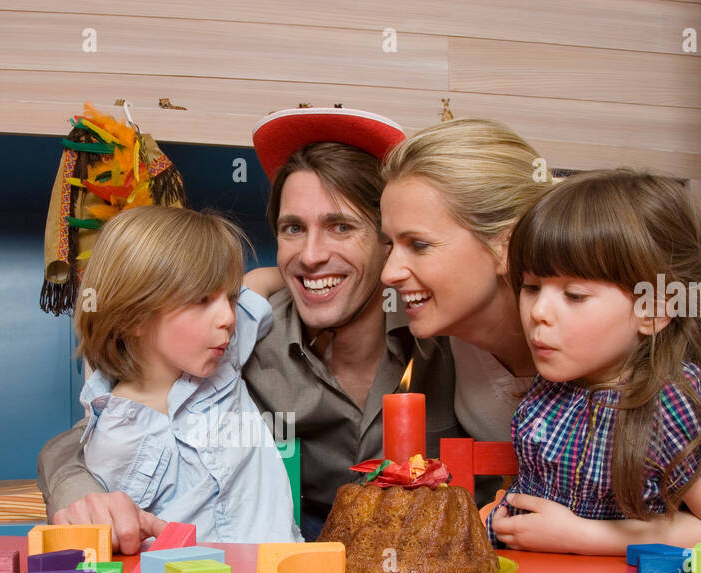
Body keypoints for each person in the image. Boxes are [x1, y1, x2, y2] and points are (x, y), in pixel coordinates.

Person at [37, 108, 463, 550]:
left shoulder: (446, 332)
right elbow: (92, 430)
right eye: (293, 229)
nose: (312, 254)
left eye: (341, 226)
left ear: (387, 238)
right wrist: (84, 497)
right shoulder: (238, 343)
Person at [372, 117, 701, 556]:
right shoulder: (446, 333)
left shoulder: (650, 372)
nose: (387, 274)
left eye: (419, 244)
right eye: (389, 243)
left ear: (508, 244)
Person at [485, 169, 701, 553]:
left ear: (654, 310)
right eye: (531, 287)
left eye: (574, 295)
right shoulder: (555, 389)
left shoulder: (675, 400)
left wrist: (584, 536)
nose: (538, 311)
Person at [70, 205, 300, 543]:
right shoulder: (119, 437)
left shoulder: (224, 352)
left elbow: (260, 283)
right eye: (202, 298)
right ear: (134, 317)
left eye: (231, 297)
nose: (227, 316)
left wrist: (307, 275)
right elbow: (123, 544)